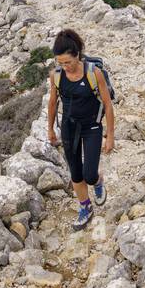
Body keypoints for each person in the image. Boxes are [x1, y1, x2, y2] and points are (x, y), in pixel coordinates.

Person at [46, 28, 115, 230]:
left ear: (77, 55)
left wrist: (109, 136)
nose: (65, 67)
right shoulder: (56, 76)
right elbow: (52, 103)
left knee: (89, 174)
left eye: (68, 62)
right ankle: (85, 207)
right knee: (76, 173)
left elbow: (108, 105)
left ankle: (98, 180)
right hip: (68, 126)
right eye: (61, 63)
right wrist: (50, 129)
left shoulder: (94, 74)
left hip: (91, 126)